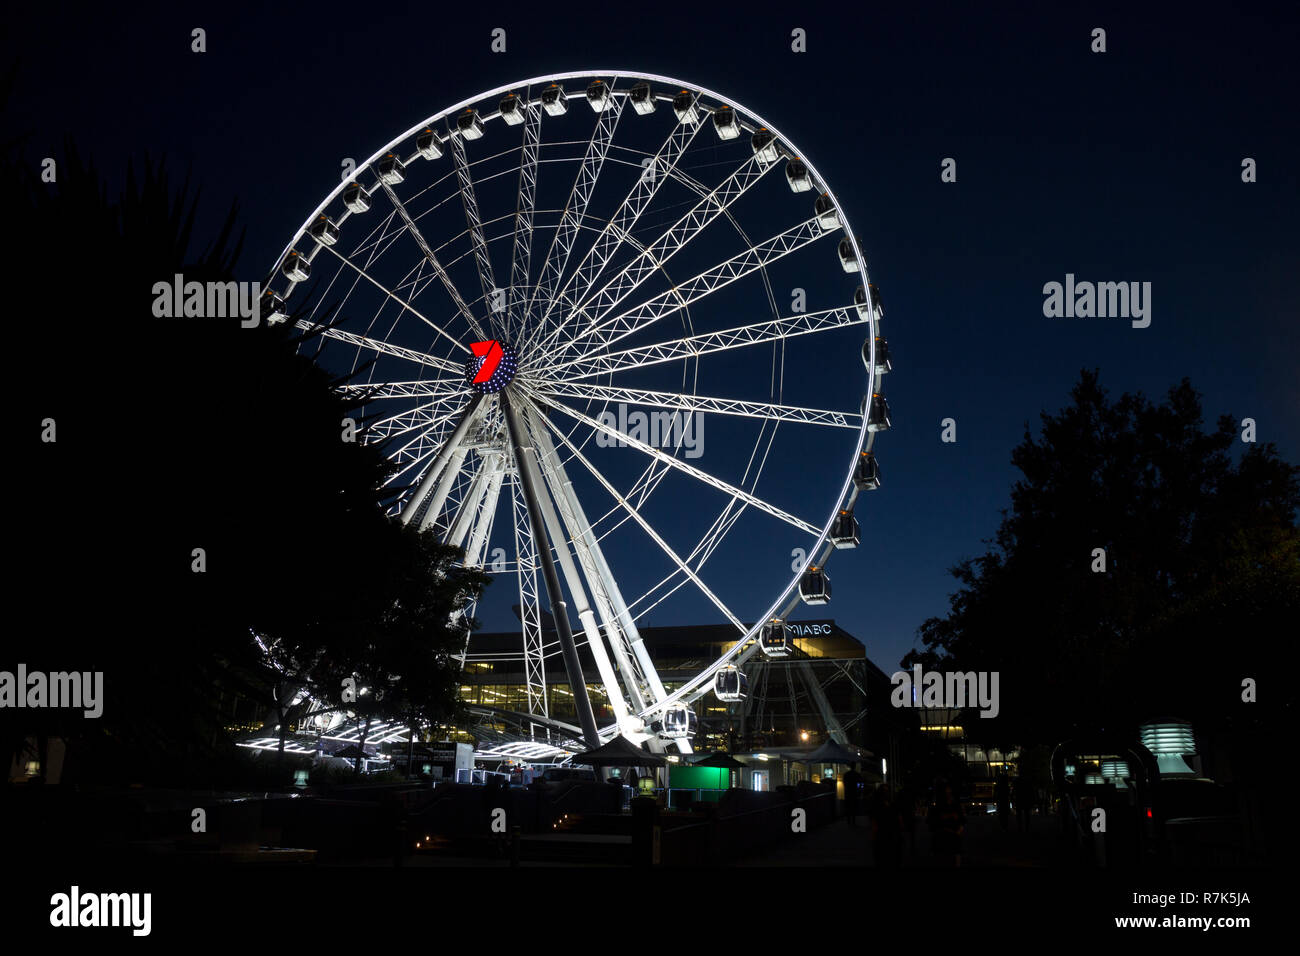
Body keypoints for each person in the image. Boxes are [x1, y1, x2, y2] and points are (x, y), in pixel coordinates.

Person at [927, 781, 966, 866]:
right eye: (946, 792)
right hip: (942, 835)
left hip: (953, 835)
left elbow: (962, 820)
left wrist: (959, 831)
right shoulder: (938, 806)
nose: (948, 794)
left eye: (949, 792)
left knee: (956, 854)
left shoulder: (956, 805)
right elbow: (931, 822)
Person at [868, 784, 903, 867]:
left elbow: (874, 823)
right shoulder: (889, 804)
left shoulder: (878, 805)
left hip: (886, 834)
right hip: (886, 834)